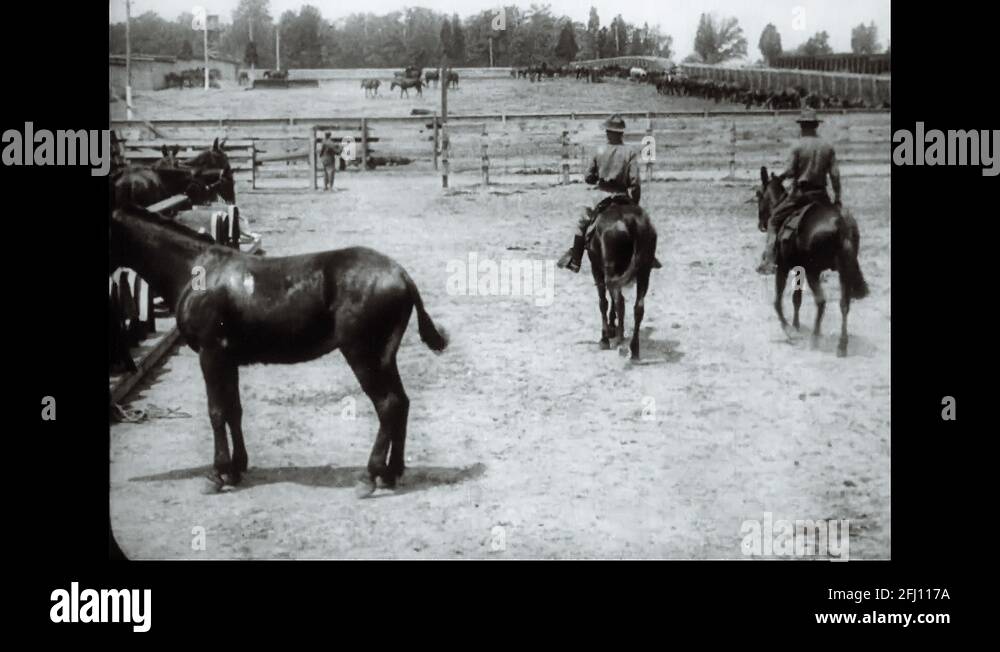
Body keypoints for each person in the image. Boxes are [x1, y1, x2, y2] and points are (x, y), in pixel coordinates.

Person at [557, 114, 661, 273]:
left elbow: (588, 177)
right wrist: (635, 205)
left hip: (601, 196)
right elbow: (635, 182)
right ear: (621, 133)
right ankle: (648, 257)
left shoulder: (599, 150)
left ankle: (576, 260)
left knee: (582, 222)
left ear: (608, 133)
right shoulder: (630, 152)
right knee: (643, 226)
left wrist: (596, 177)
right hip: (623, 197)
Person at [757, 108, 842, 274]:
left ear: (802, 126)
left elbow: (790, 171)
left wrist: (779, 178)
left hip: (801, 195)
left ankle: (770, 260)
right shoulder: (827, 147)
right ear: (816, 126)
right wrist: (838, 197)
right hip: (821, 195)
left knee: (774, 220)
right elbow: (835, 175)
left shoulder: (797, 146)